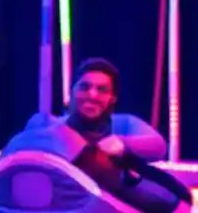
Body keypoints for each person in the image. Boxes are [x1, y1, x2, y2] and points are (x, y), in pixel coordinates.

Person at [24, 58, 166, 163]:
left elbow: (159, 146)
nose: (92, 95)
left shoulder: (124, 124)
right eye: (84, 87)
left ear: (113, 98)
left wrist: (123, 144)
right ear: (71, 92)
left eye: (102, 90)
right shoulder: (49, 124)